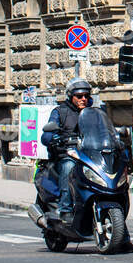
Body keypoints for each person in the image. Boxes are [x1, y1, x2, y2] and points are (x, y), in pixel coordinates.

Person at [41, 78, 94, 225]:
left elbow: (104, 129)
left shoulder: (94, 112)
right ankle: (65, 209)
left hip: (90, 156)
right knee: (69, 166)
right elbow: (47, 135)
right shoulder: (60, 112)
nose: (84, 99)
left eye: (87, 96)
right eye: (79, 96)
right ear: (71, 96)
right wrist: (53, 138)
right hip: (68, 155)